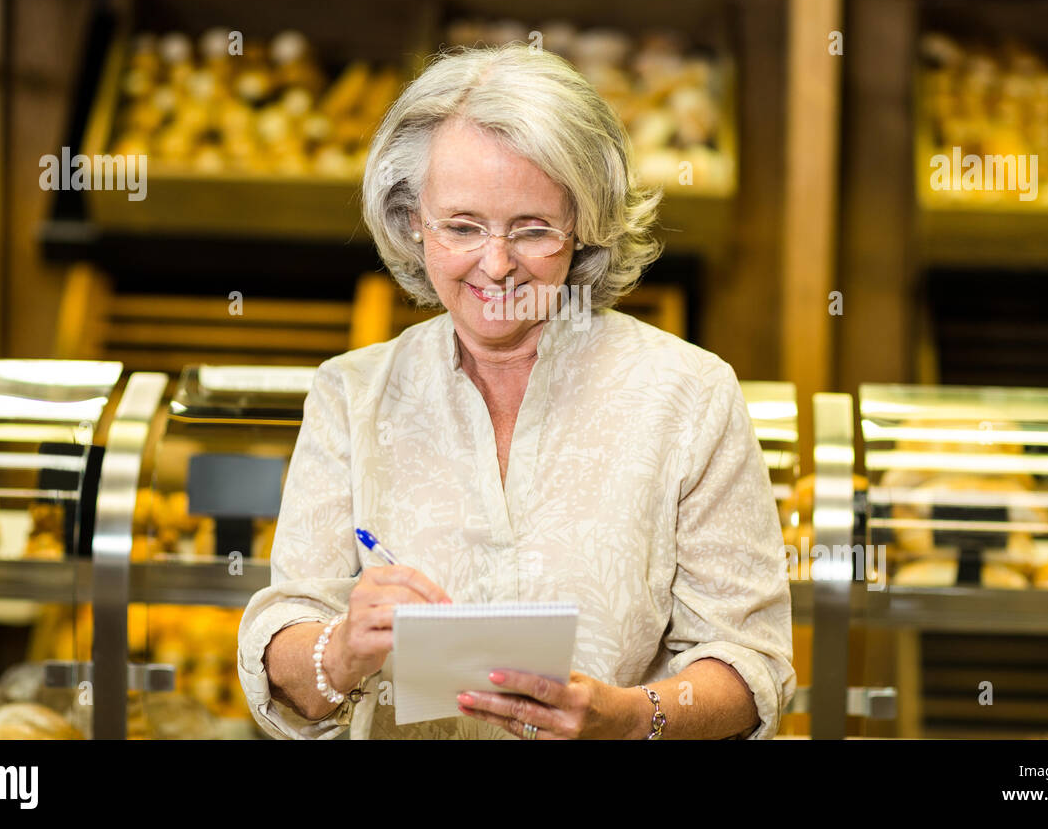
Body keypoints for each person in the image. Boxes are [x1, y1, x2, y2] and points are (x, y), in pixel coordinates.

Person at [237, 41, 794, 739]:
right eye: (462, 227)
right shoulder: (352, 395)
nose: (495, 266)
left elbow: (752, 665)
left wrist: (627, 717)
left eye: (532, 231)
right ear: (413, 221)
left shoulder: (691, 395)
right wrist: (343, 647)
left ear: (585, 227)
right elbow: (283, 648)